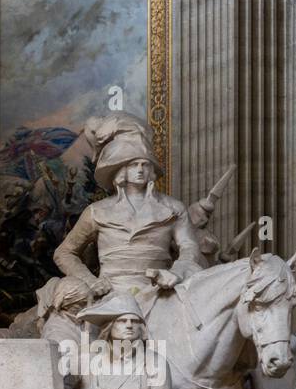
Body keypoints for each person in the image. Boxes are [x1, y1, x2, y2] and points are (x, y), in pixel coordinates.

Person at [53, 114, 201, 315]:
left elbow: (190, 246)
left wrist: (177, 272)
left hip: (160, 293)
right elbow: (64, 253)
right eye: (133, 164)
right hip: (111, 295)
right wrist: (90, 281)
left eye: (144, 164)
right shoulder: (96, 211)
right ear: (120, 168)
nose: (140, 170)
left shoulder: (174, 208)